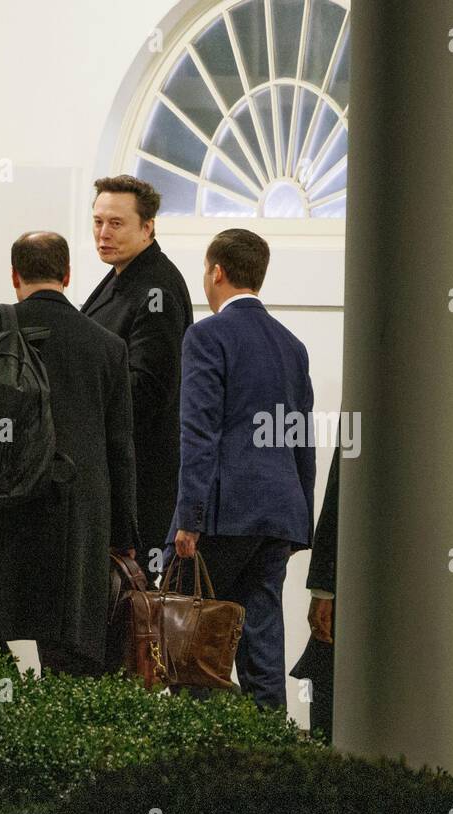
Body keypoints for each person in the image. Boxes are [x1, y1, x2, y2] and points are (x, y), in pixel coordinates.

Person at [0, 231, 139, 676]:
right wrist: (123, 536)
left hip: (0, 500)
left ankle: (3, 719)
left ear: (15, 275)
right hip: (74, 512)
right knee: (68, 648)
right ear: (68, 274)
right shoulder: (108, 346)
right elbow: (120, 448)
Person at [291, 424, 453, 743]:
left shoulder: (377, 376)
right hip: (446, 588)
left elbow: (341, 487)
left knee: (339, 695)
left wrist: (323, 586)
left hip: (372, 576)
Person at [166, 228, 315, 710]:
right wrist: (299, 522)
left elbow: (199, 431)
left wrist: (188, 518)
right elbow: (300, 439)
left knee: (200, 646)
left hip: (221, 515)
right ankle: (266, 759)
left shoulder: (206, 335)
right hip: (277, 516)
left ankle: (201, 763)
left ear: (217, 272)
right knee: (263, 645)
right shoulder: (292, 346)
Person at [81, 175, 193, 583]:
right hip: (114, 475)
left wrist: (78, 402)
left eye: (116, 223)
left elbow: (148, 391)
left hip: (140, 485)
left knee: (130, 621)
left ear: (148, 227)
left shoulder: (156, 287)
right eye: (97, 222)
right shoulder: (120, 276)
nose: (103, 234)